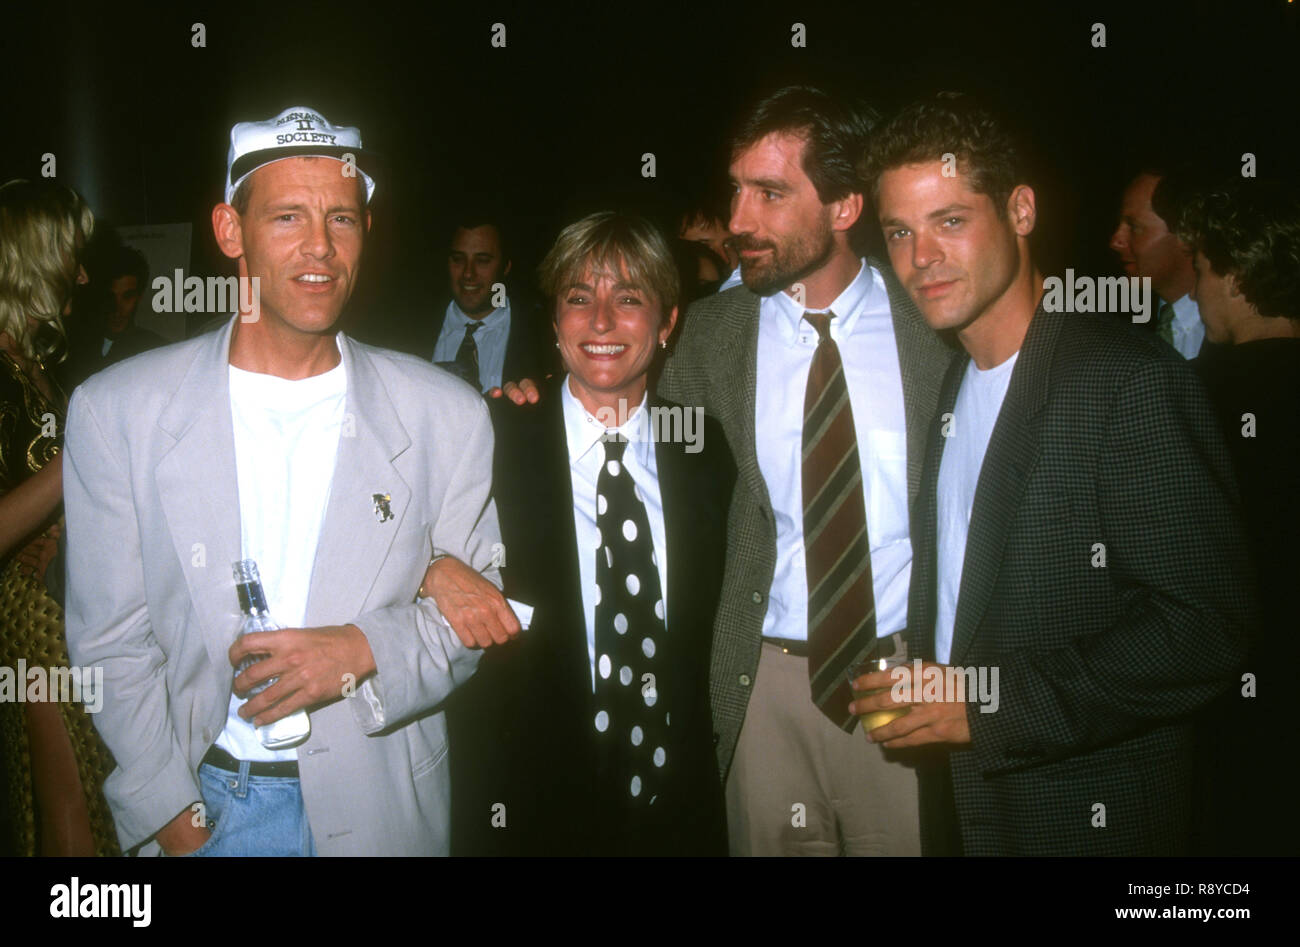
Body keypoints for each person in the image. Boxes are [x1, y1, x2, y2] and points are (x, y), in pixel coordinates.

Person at [63, 106, 509, 856]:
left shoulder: (445, 414)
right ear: (230, 231)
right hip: (210, 805)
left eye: (342, 218)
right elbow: (109, 643)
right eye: (288, 217)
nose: (320, 248)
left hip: (384, 810)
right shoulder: (118, 411)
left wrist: (364, 647)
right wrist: (170, 811)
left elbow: (480, 620)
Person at [859, 92, 1253, 855]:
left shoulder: (1126, 382)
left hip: (1087, 815)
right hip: (969, 808)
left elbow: (1204, 626)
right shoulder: (952, 381)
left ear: (1021, 211)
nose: (921, 257)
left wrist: (986, 709)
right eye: (900, 231)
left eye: (950, 220)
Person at [655, 85, 957, 855]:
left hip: (903, 674)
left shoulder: (935, 326)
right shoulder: (710, 338)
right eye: (736, 190)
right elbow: (632, 444)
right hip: (763, 685)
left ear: (846, 205)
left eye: (771, 193)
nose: (738, 220)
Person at [448, 212, 732, 855]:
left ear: (667, 323)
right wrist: (434, 567)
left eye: (628, 298)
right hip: (531, 812)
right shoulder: (490, 439)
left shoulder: (708, 452)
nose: (601, 321)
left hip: (677, 812)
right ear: (554, 321)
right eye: (579, 297)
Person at [1174, 178, 1300, 854]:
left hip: (1231, 710)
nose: (1195, 289)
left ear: (1240, 272)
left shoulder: (1195, 398)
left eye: (1202, 269)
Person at [0, 178, 118, 856]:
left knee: (90, 799)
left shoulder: (40, 364)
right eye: (70, 255)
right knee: (70, 809)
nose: (80, 272)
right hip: (34, 614)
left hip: (72, 590)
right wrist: (80, 455)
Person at [427, 207, 550, 392]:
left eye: (482, 261)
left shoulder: (541, 332)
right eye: (458, 259)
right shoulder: (406, 327)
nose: (468, 273)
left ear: (506, 267)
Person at [1109, 164, 1204, 358]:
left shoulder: (1242, 330)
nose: (1115, 242)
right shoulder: (1118, 324)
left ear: (1187, 235)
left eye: (1134, 227)